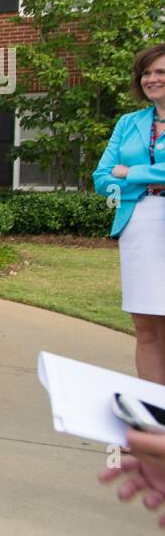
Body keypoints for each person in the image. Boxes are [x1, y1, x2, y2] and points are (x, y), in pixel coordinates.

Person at [93, 43, 165, 382]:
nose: (151, 79)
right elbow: (101, 179)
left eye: (160, 72)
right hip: (137, 226)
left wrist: (131, 173)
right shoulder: (128, 123)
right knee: (146, 326)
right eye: (146, 73)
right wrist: (147, 177)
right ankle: (152, 419)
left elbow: (119, 174)